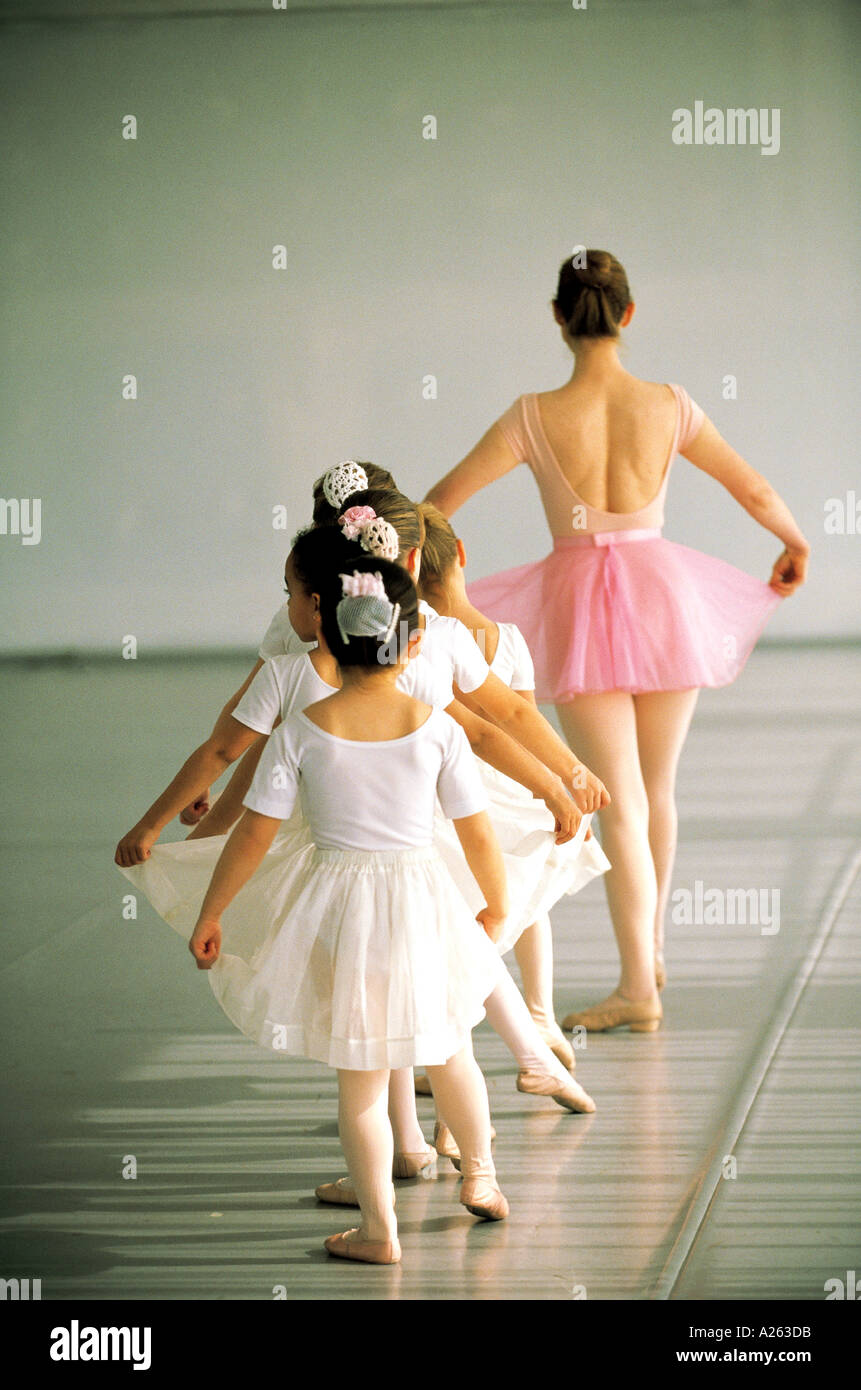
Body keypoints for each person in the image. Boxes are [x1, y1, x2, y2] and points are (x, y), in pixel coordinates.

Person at [424, 249, 810, 1033]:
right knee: (655, 791)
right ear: (627, 315)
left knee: (617, 802)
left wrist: (443, 590)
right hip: (664, 598)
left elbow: (438, 503)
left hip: (578, 609)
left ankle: (638, 985)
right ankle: (649, 953)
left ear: (560, 318)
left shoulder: (531, 414)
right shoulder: (669, 404)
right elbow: (754, 488)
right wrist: (791, 540)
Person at [188, 558, 510, 1264]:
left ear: (332, 636)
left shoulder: (300, 730)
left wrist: (212, 912)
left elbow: (253, 833)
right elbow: (476, 830)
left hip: (340, 909)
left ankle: (379, 1229)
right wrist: (494, 901)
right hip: (422, 900)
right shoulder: (436, 729)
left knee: (361, 1074)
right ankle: (480, 1175)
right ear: (413, 641)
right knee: (450, 1044)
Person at [414, 500, 609, 1067]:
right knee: (525, 903)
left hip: (446, 799)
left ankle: (451, 1055)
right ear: (462, 557)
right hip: (511, 787)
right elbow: (524, 725)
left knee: (461, 916)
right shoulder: (507, 640)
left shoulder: (419, 642)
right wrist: (559, 785)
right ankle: (541, 1015)